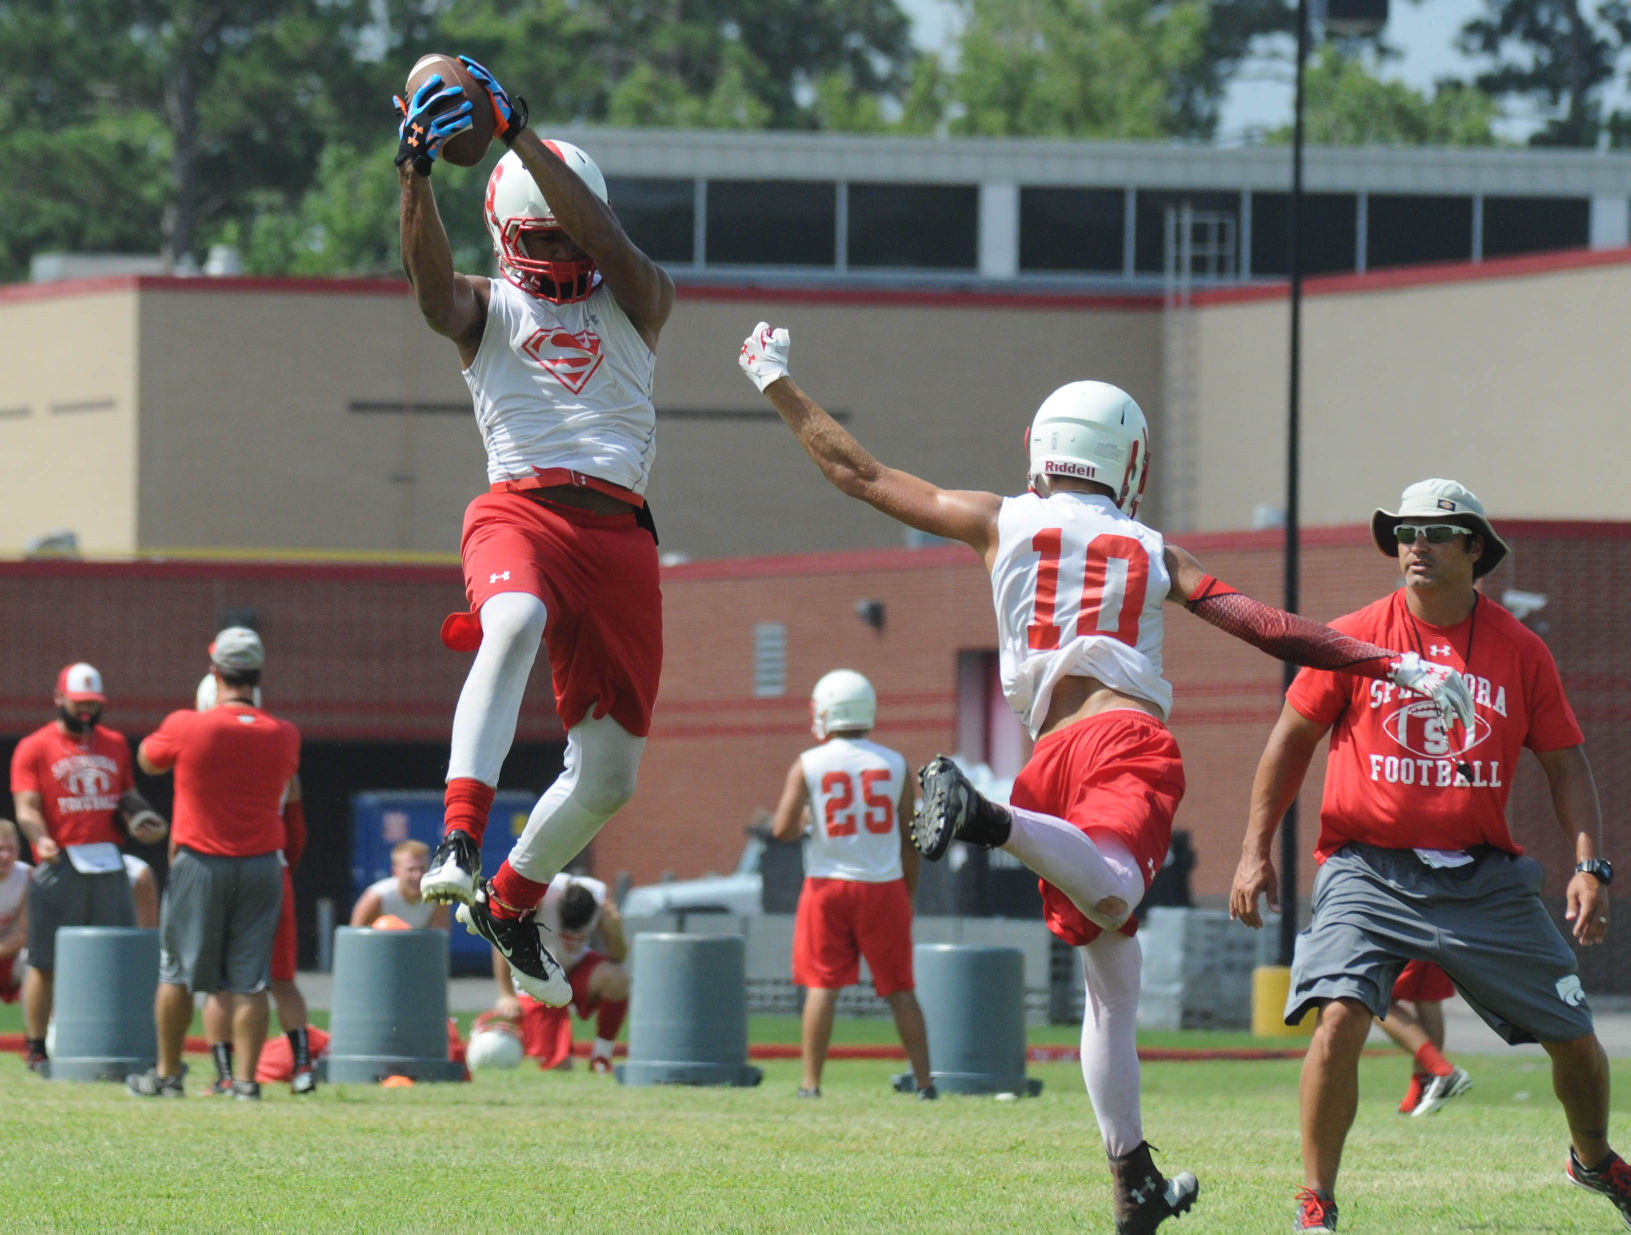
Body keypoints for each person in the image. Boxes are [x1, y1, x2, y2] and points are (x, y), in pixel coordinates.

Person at [737, 324, 1475, 1235]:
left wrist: (775, 380)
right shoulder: (1150, 549)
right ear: (1125, 460)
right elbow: (1266, 626)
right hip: (1121, 739)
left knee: (1109, 979)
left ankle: (1131, 1177)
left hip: (1046, 755)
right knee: (1120, 887)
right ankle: (987, 817)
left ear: (1043, 450)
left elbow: (857, 473)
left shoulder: (995, 516)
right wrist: (1391, 664)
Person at [1228, 478, 1625, 1231]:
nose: (1414, 544)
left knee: (1575, 1039)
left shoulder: (1520, 651)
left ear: (1474, 549)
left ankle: (1594, 1158)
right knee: (1339, 1014)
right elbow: (1288, 743)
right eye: (1403, 531)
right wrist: (1253, 850)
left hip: (1485, 880)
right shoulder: (1349, 640)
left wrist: (1587, 866)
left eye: (1434, 533)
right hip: (1364, 868)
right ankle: (1316, 1199)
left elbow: (1567, 765)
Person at [392, 55, 673, 1009]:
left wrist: (516, 134)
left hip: (622, 533)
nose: (560, 251)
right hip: (519, 507)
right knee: (508, 625)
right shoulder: (487, 304)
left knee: (610, 775)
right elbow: (434, 297)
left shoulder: (638, 294)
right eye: (541, 237)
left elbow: (604, 238)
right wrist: (415, 175)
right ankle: (460, 833)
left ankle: (511, 899)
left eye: (570, 232)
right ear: (508, 236)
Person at [127, 628, 299, 1100]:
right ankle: (245, 1083)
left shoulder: (188, 724)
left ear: (214, 672)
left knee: (177, 973)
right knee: (251, 979)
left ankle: (167, 1075)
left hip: (200, 862)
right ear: (258, 675)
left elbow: (148, 760)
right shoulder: (285, 734)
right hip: (263, 863)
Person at [768, 669, 933, 1100]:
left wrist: (807, 820)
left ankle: (810, 1084)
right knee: (900, 990)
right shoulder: (895, 763)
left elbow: (781, 829)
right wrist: (907, 893)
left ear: (827, 711)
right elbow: (909, 839)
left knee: (822, 987)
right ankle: (924, 1083)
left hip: (827, 885)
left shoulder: (808, 763)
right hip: (883, 885)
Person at [10, 663, 167, 1072]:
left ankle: (113, 1039)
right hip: (60, 860)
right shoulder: (35, 746)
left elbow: (127, 796)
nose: (86, 714)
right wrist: (39, 837)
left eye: (93, 706)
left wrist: (142, 819)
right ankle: (37, 1046)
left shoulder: (114, 743)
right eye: (79, 704)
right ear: (59, 699)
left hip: (107, 862)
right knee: (44, 960)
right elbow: (26, 806)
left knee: (115, 952)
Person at [191, 672, 320, 1097]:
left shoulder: (201, 753)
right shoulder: (278, 754)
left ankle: (227, 1073)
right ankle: (301, 1066)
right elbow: (297, 830)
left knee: (222, 982)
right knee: (278, 978)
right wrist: (283, 867)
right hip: (270, 870)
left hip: (215, 872)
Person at [488, 872, 629, 1073]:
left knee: (618, 977)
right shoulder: (540, 896)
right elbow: (502, 936)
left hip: (574, 969)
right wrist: (506, 995)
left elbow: (619, 956)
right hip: (536, 976)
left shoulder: (602, 897)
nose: (571, 935)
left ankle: (601, 1057)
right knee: (559, 1067)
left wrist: (616, 931)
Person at [1377, 960, 1469, 1117]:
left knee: (1374, 998)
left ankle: (1443, 1071)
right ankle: (1418, 1097)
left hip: (1408, 935)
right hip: (1444, 936)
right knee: (1427, 999)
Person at [350, 839, 449, 931]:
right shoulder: (376, 898)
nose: (418, 875)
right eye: (411, 869)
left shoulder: (437, 899)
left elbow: (439, 941)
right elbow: (356, 939)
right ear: (395, 873)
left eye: (422, 868)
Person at [0, 820, 30, 1004]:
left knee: (34, 958)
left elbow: (23, 935)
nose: (6, 856)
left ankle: (38, 1029)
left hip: (12, 956)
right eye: (1, 848)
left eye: (12, 849)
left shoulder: (28, 876)